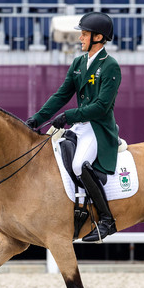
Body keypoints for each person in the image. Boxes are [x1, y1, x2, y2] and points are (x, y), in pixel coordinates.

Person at [26, 12, 122, 242]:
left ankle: (107, 220)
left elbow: (101, 107)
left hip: (98, 128)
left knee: (79, 165)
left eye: (85, 34)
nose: (80, 38)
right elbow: (61, 95)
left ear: (98, 37)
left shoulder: (110, 66)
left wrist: (68, 115)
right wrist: (36, 119)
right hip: (80, 125)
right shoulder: (79, 63)